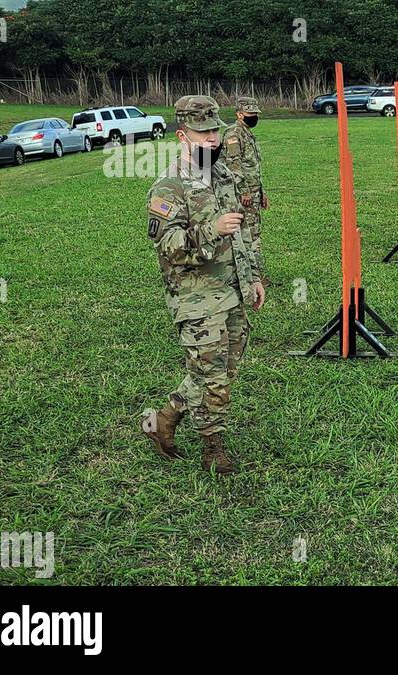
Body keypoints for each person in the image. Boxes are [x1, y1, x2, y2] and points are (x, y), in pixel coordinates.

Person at [141, 95, 265, 474]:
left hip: (232, 290)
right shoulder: (169, 185)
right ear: (182, 135)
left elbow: (242, 235)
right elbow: (168, 247)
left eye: (214, 130)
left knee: (222, 370)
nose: (212, 138)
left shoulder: (223, 174)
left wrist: (254, 277)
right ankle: (213, 448)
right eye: (202, 132)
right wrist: (211, 229)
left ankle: (164, 418)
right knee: (214, 378)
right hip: (196, 298)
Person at [218, 96, 270, 285]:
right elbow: (234, 165)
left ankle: (254, 274)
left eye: (255, 114)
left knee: (253, 232)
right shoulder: (234, 134)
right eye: (250, 114)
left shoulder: (247, 133)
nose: (254, 117)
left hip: (254, 192)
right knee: (249, 235)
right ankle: (254, 277)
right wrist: (244, 192)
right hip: (243, 194)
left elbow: (253, 167)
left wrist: (262, 193)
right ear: (239, 114)